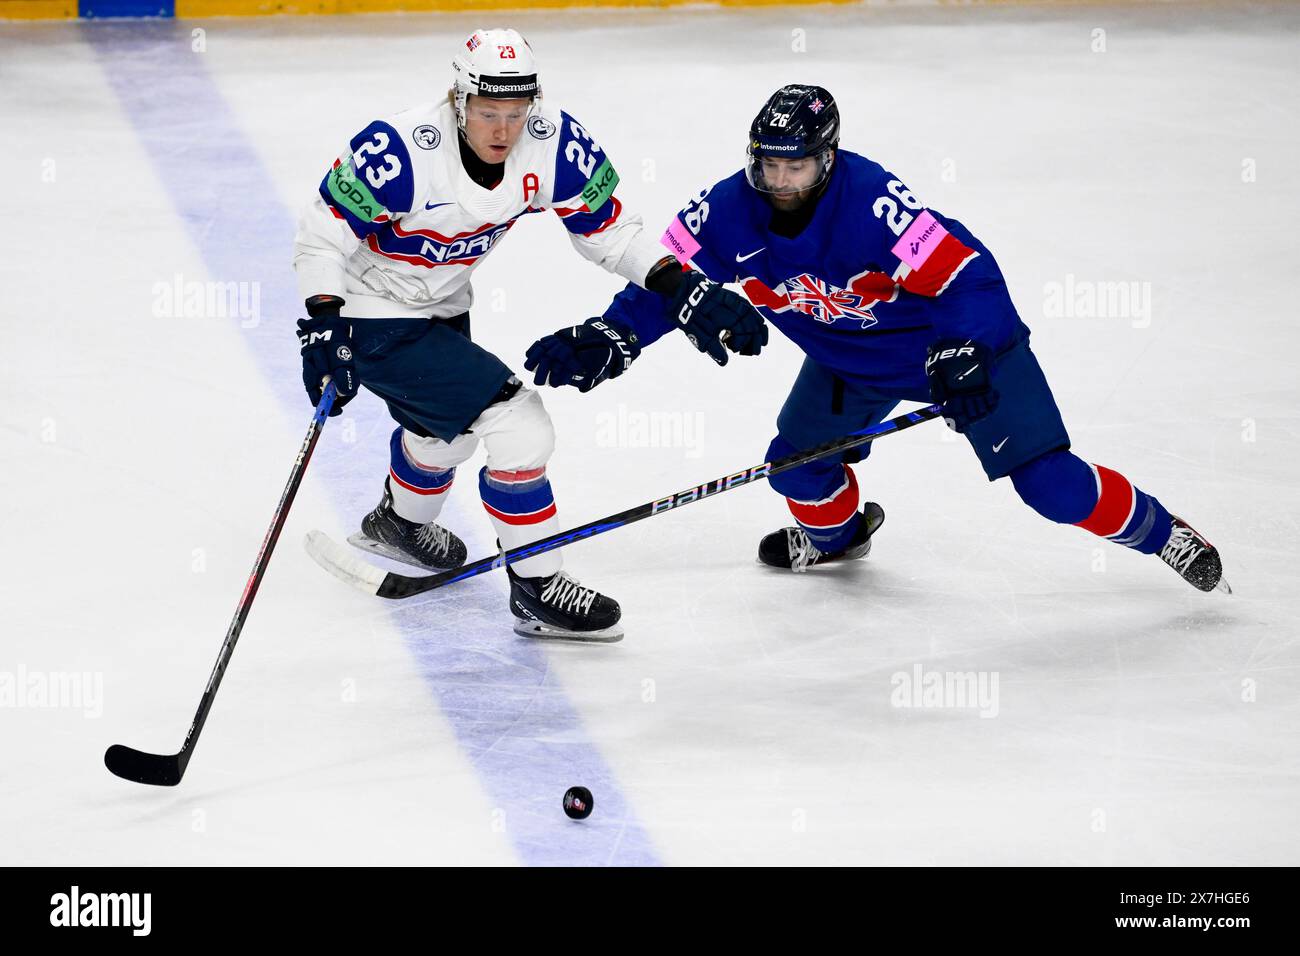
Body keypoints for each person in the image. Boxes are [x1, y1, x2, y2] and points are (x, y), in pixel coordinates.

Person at [524, 84, 1228, 593]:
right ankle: (837, 540)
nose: (778, 180)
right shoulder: (727, 208)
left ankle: (1164, 533)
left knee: (1049, 487)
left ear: (826, 160)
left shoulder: (874, 203)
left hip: (956, 352)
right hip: (847, 361)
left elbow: (968, 274)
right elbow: (670, 277)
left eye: (794, 166)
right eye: (766, 165)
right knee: (795, 469)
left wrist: (962, 349)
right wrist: (616, 333)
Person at [292, 28, 765, 640]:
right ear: (458, 100)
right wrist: (324, 327)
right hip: (370, 309)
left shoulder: (555, 142)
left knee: (448, 428)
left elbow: (612, 234)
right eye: (488, 113)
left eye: (516, 114)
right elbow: (321, 235)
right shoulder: (401, 150)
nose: (503, 131)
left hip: (442, 300)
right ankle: (538, 587)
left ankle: (398, 524)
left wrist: (684, 289)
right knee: (518, 424)